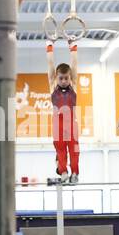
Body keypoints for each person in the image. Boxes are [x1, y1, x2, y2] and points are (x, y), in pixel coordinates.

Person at [47, 37, 80, 183]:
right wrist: (49, 46)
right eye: (61, 78)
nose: (64, 81)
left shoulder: (74, 85)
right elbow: (50, 64)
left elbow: (74, 64)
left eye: (66, 78)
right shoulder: (53, 86)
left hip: (71, 123)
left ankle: (75, 173)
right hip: (57, 124)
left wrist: (72, 47)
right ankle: (64, 172)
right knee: (60, 150)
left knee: (74, 150)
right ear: (56, 77)